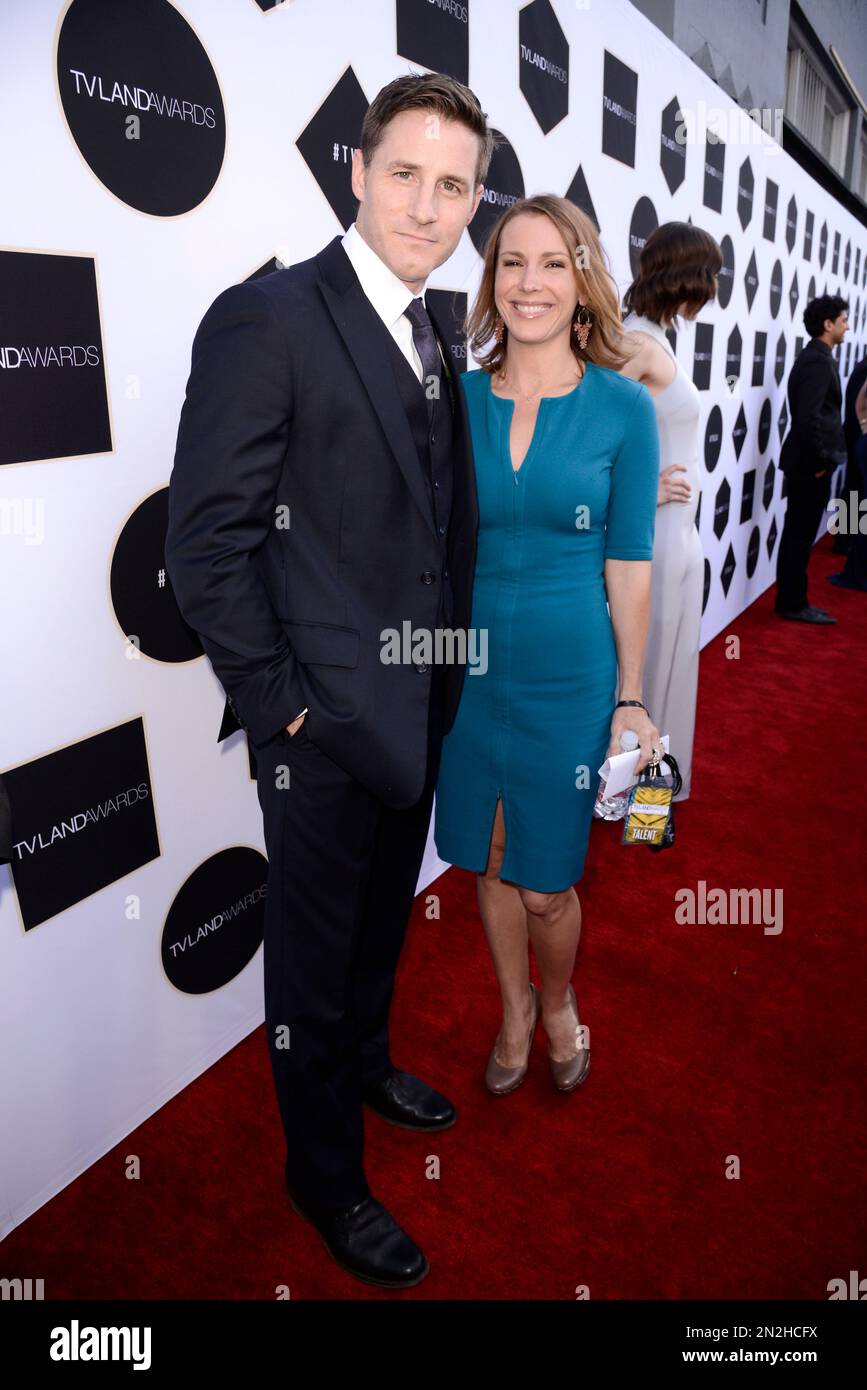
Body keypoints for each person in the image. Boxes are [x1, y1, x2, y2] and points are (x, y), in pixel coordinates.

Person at [165, 73, 491, 1289]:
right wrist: (287, 708)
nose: (427, 205)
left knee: (377, 927)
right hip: (318, 724)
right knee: (308, 958)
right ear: (355, 172)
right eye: (404, 173)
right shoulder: (270, 318)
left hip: (416, 704)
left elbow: (431, 528)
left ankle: (366, 1063)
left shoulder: (437, 324)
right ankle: (324, 1175)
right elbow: (205, 548)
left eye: (453, 184)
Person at [433, 195, 660, 1098]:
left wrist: (631, 695)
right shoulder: (454, 402)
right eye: (511, 263)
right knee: (489, 860)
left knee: (546, 885)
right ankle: (513, 1012)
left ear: (582, 279)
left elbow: (629, 564)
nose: (529, 283)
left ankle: (557, 1000)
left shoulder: (622, 409)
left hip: (569, 679)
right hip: (468, 675)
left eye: (553, 263)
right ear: (491, 280)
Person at [620, 221, 721, 802]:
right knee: (649, 678)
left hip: (679, 538)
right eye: (709, 275)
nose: (713, 289)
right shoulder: (635, 342)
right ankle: (638, 807)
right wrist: (643, 490)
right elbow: (585, 434)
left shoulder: (657, 336)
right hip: (652, 539)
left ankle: (650, 806)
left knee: (673, 671)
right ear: (684, 275)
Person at [774, 294, 849, 624]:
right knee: (799, 536)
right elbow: (808, 419)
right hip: (809, 465)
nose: (848, 326)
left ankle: (793, 600)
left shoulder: (818, 357)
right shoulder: (817, 361)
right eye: (843, 320)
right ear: (827, 325)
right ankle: (792, 603)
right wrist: (820, 463)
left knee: (799, 535)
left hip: (809, 463)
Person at [828, 371, 867, 592]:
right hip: (859, 442)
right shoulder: (863, 370)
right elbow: (859, 402)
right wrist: (864, 428)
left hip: (859, 441)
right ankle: (845, 546)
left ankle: (845, 545)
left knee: (856, 496)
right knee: (854, 495)